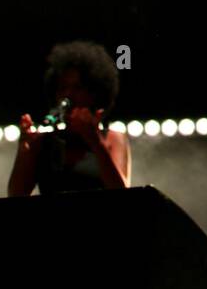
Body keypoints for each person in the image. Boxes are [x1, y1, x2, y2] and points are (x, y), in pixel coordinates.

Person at [8, 40, 131, 196]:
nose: (68, 94)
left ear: (94, 93)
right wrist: (24, 151)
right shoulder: (42, 142)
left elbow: (125, 196)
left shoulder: (112, 138)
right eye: (62, 88)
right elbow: (15, 195)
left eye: (77, 88)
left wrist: (95, 142)